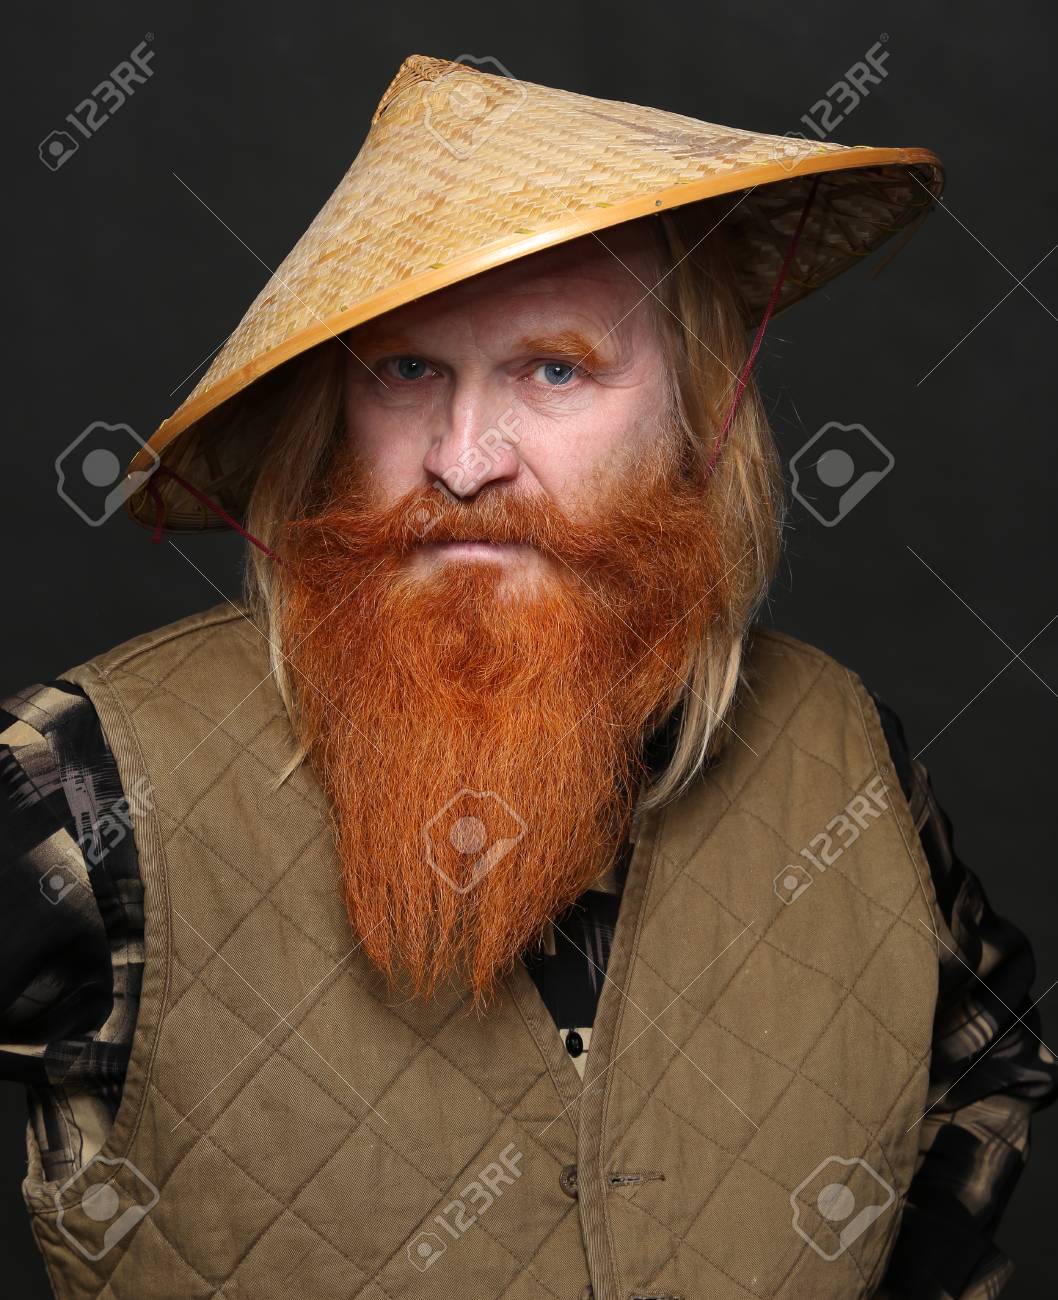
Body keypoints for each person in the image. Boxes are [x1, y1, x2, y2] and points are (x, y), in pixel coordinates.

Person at [3, 52, 1054, 1300]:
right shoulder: (90, 777)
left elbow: (985, 1060)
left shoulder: (841, 752)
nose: (461, 461)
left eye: (554, 369)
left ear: (699, 410)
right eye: (404, 370)